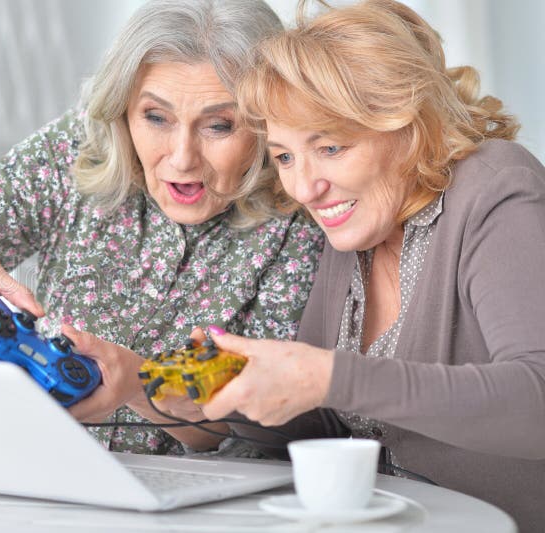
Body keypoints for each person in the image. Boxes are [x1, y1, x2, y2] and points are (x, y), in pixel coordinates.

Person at [0, 0, 323, 457]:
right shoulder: (76, 152)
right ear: (123, 109)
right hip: (39, 478)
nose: (182, 157)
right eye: (155, 117)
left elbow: (261, 431)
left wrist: (141, 384)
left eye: (219, 126)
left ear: (266, 125)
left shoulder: (301, 214)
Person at [197, 0, 545, 530]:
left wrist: (330, 375)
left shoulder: (496, 186)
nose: (305, 188)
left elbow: (536, 402)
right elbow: (317, 428)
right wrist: (183, 390)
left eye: (330, 147)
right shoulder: (357, 230)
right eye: (285, 156)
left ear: (407, 126)